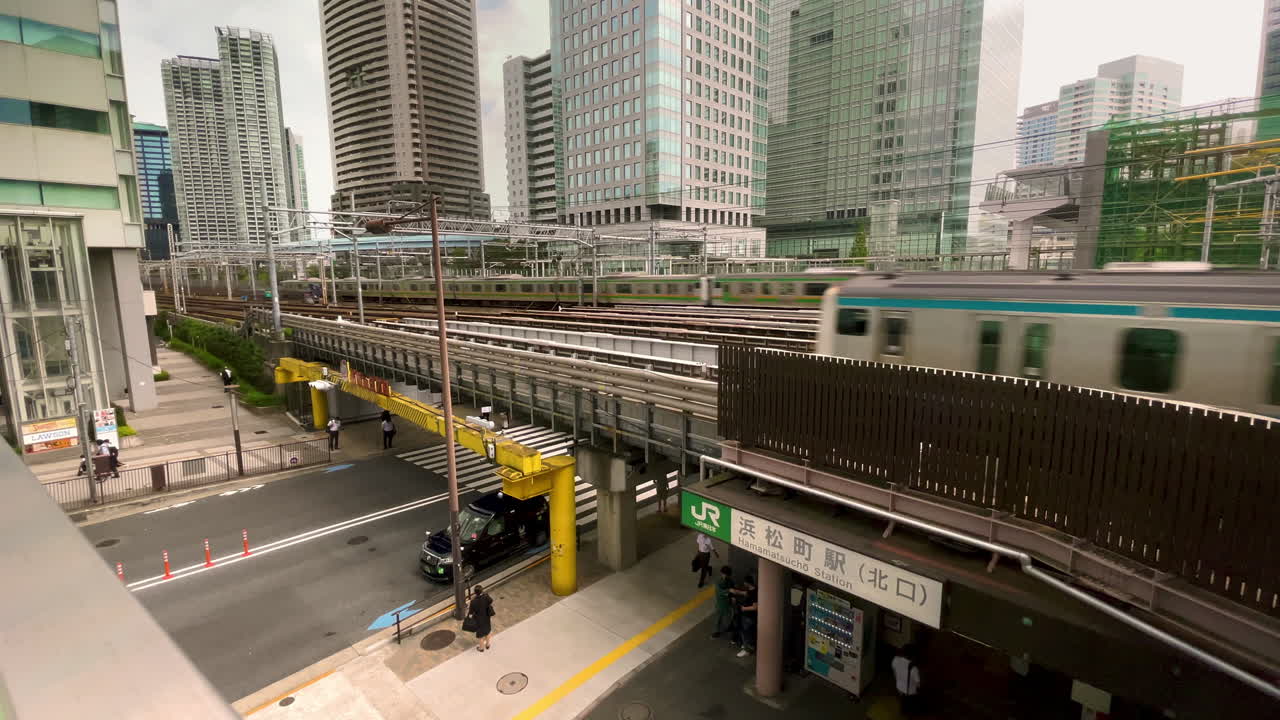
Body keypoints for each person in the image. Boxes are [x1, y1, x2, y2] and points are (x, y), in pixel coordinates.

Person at [892, 645, 923, 716]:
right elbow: (918, 684)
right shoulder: (914, 669)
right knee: (910, 704)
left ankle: (903, 711)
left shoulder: (895, 660)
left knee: (903, 701)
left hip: (899, 688)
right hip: (910, 692)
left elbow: (895, 673)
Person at [731, 575, 758, 657]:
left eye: (744, 582)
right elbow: (745, 593)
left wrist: (744, 608)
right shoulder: (753, 590)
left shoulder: (754, 594)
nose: (743, 584)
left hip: (749, 617)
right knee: (747, 633)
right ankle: (747, 646)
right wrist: (736, 591)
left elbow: (755, 607)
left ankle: (747, 650)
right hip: (748, 616)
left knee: (746, 633)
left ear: (747, 583)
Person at [468, 584, 495, 652]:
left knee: (480, 634)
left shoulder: (473, 601)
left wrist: (469, 618)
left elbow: (470, 613)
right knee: (487, 630)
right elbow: (491, 601)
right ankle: (487, 644)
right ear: (482, 591)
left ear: (475, 592)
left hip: (478, 619)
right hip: (486, 616)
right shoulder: (486, 596)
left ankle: (481, 648)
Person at [711, 565, 735, 639]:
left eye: (727, 575)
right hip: (721, 603)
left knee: (727, 617)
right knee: (718, 618)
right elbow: (720, 591)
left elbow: (732, 588)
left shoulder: (730, 581)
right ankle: (716, 631)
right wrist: (729, 591)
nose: (725, 576)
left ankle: (727, 628)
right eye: (724, 574)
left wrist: (732, 596)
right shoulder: (719, 582)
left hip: (727, 602)